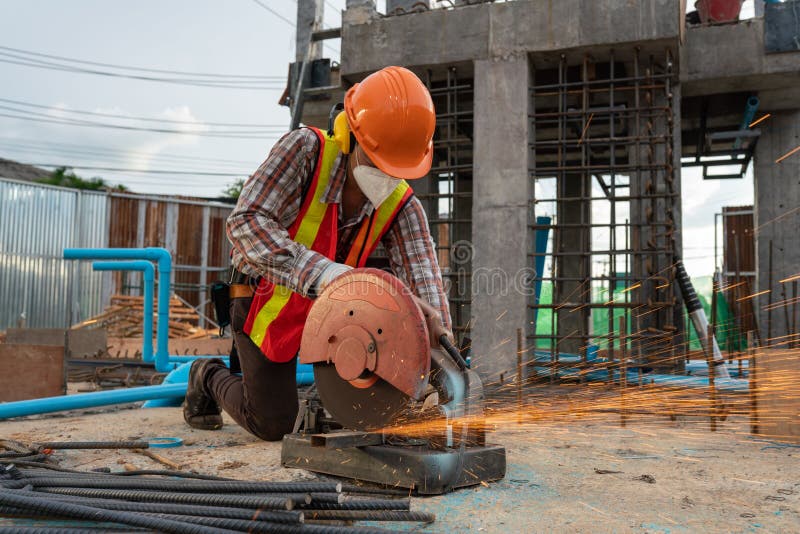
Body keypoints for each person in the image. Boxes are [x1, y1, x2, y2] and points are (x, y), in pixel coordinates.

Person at [183, 66, 453, 441]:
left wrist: (436, 347)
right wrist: (327, 275)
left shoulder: (401, 204)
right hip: (264, 298)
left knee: (360, 409)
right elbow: (245, 221)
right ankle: (206, 374)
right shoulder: (305, 151)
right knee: (273, 423)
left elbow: (424, 274)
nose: (389, 177)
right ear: (354, 137)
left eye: (398, 169)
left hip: (333, 310)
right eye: (379, 163)